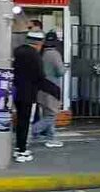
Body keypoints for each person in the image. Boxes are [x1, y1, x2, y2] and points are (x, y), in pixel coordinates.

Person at [13, 31, 45, 163]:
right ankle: (22, 151)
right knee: (26, 122)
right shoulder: (35, 56)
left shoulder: (17, 51)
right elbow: (40, 75)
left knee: (20, 120)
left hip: (17, 92)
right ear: (38, 43)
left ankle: (18, 147)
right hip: (29, 94)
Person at [31, 30, 64, 148]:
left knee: (46, 114)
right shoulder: (55, 54)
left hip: (41, 88)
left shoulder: (41, 53)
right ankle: (33, 130)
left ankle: (51, 138)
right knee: (51, 115)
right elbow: (60, 72)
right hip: (51, 88)